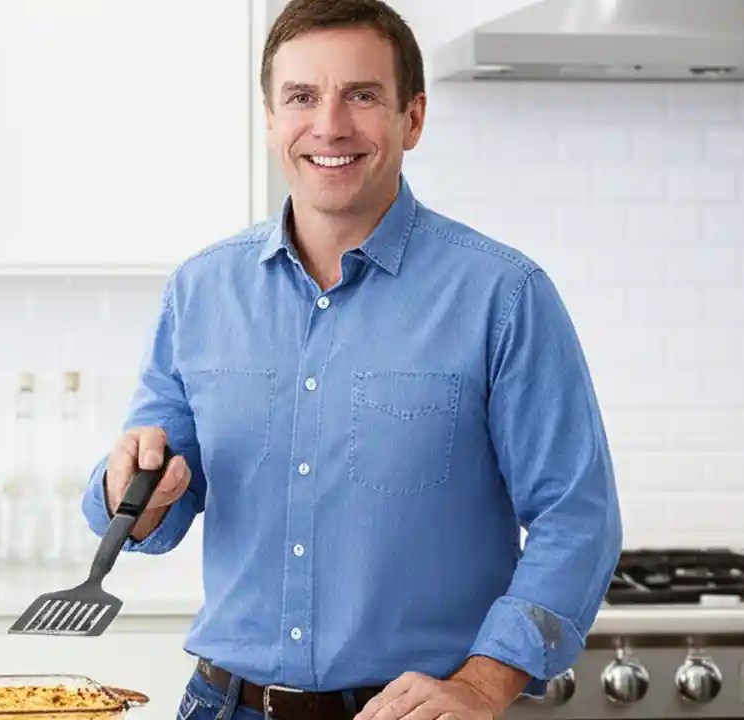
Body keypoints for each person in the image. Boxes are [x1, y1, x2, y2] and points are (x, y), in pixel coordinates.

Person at [81, 0, 623, 718]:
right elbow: (146, 496)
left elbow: (577, 517)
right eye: (301, 97)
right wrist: (136, 499)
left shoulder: (504, 295)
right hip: (224, 704)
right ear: (271, 119)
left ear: (413, 118)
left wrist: (481, 684)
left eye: (361, 96)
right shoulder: (202, 290)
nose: (329, 125)